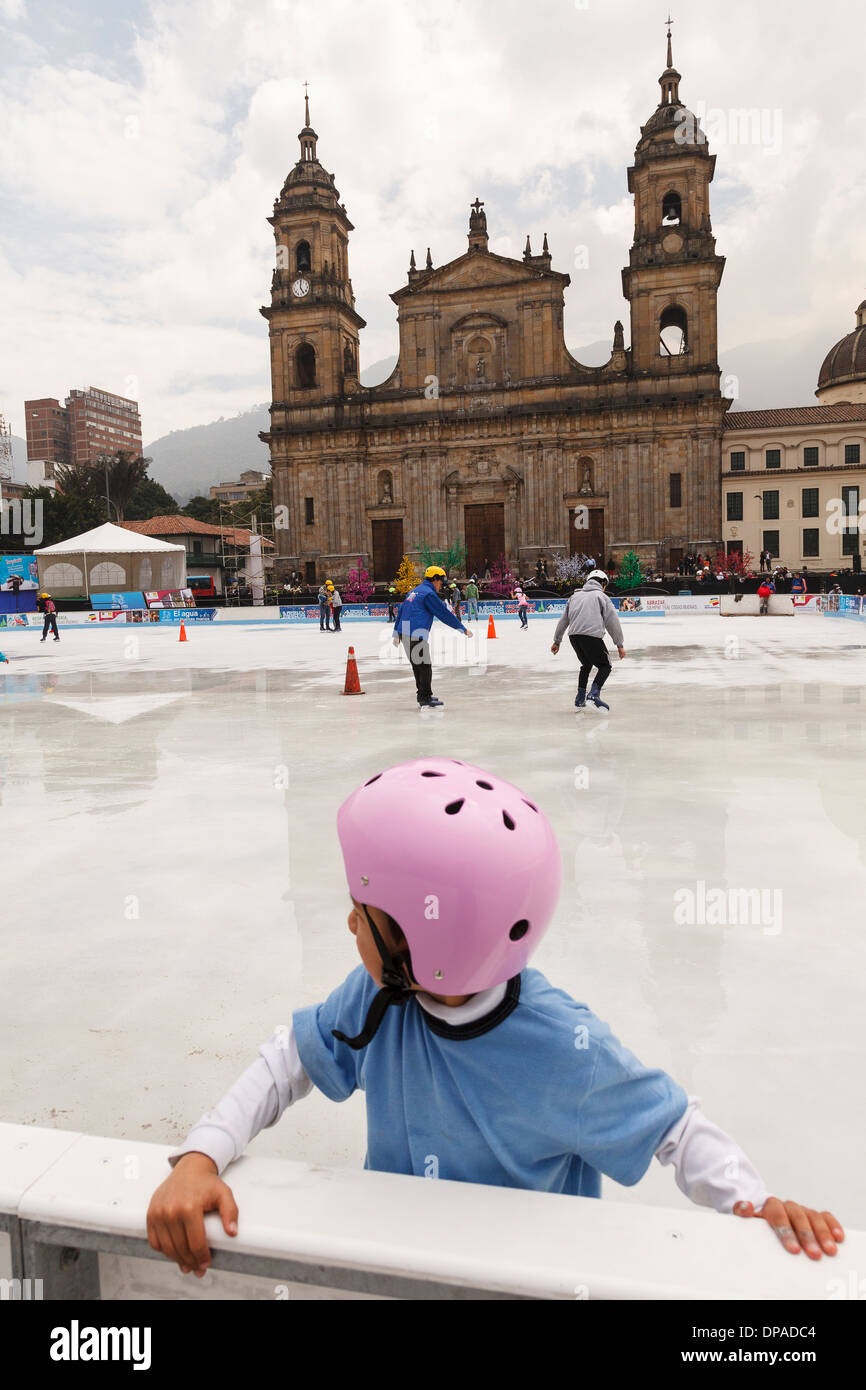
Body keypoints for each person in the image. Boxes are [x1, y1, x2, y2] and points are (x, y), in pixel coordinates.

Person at [146, 757, 844, 1279]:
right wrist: (202, 1155)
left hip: (527, 1279)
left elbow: (674, 1127)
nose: (349, 919)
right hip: (400, 1262)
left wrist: (754, 1206)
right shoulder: (381, 995)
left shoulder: (560, 1045)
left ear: (434, 940)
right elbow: (287, 1060)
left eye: (368, 914)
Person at [392, 565, 472, 709]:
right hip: (415, 634)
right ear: (435, 579)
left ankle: (422, 695)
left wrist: (396, 633)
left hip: (405, 632)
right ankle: (425, 697)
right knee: (424, 667)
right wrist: (462, 629)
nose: (441, 586)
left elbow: (401, 611)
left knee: (418, 666)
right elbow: (443, 614)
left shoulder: (414, 591)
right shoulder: (428, 594)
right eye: (441, 582)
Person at [550, 569, 624, 711]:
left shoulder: (574, 597)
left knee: (586, 664)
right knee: (605, 665)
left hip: (574, 637)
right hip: (591, 636)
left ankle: (579, 698)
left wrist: (556, 641)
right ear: (602, 583)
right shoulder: (601, 597)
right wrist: (619, 644)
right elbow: (612, 621)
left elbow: (563, 620)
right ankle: (593, 695)